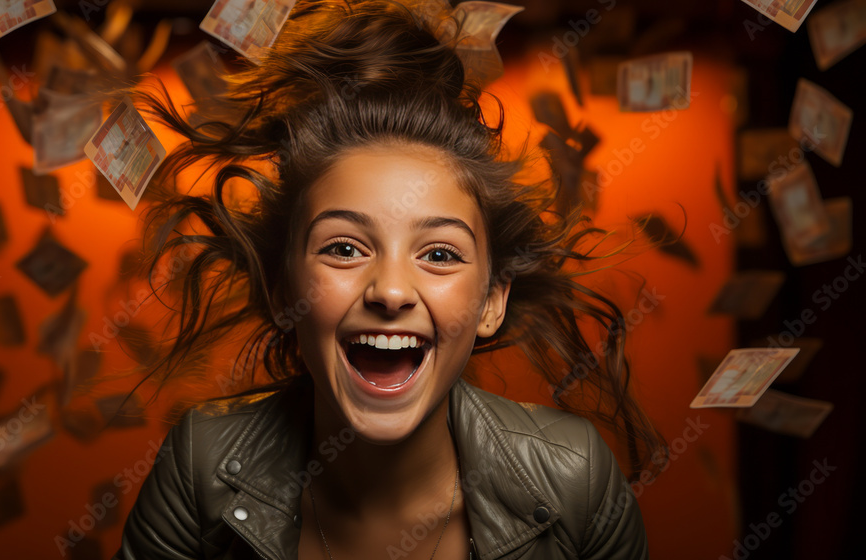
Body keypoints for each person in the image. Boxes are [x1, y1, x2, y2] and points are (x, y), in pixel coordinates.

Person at [115, 1, 665, 558]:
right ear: (283, 290)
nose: (392, 291)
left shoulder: (576, 478)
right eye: (344, 248)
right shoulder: (199, 467)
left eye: (440, 254)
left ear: (492, 300)